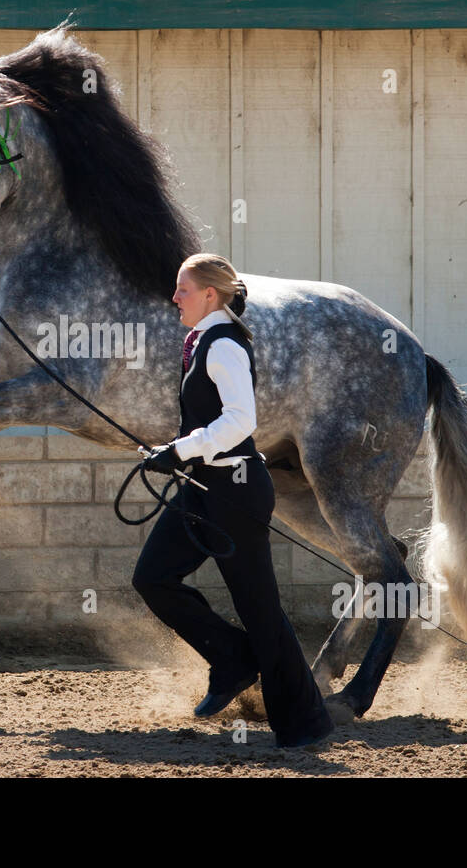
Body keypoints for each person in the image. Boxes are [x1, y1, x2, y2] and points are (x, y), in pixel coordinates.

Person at [132, 253, 335, 748]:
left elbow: (241, 421)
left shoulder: (224, 345)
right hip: (204, 487)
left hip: (236, 493)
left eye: (182, 289)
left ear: (210, 295)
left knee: (260, 610)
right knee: (153, 578)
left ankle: (306, 725)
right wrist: (173, 454)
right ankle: (231, 658)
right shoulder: (201, 340)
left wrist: (180, 449)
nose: (174, 297)